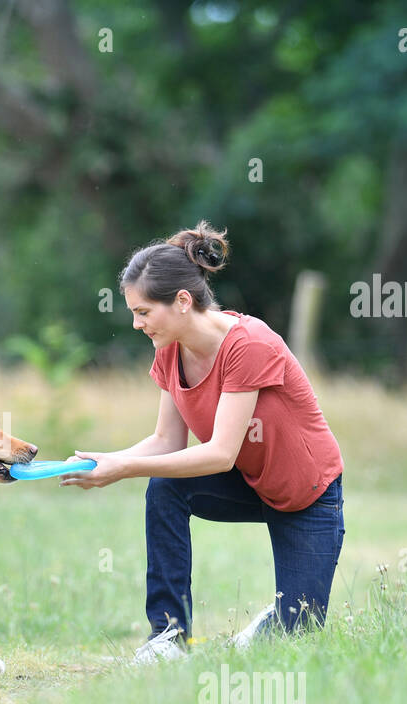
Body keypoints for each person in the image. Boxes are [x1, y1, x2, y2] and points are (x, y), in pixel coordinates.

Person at [61, 221, 345, 661]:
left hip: (307, 495)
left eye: (143, 312)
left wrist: (126, 469)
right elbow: (165, 441)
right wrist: (105, 461)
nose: (136, 325)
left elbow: (220, 452)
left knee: (298, 632)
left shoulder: (247, 344)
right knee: (166, 486)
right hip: (250, 484)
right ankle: (169, 637)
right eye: (133, 313)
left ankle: (269, 622)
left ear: (181, 301)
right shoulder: (169, 348)